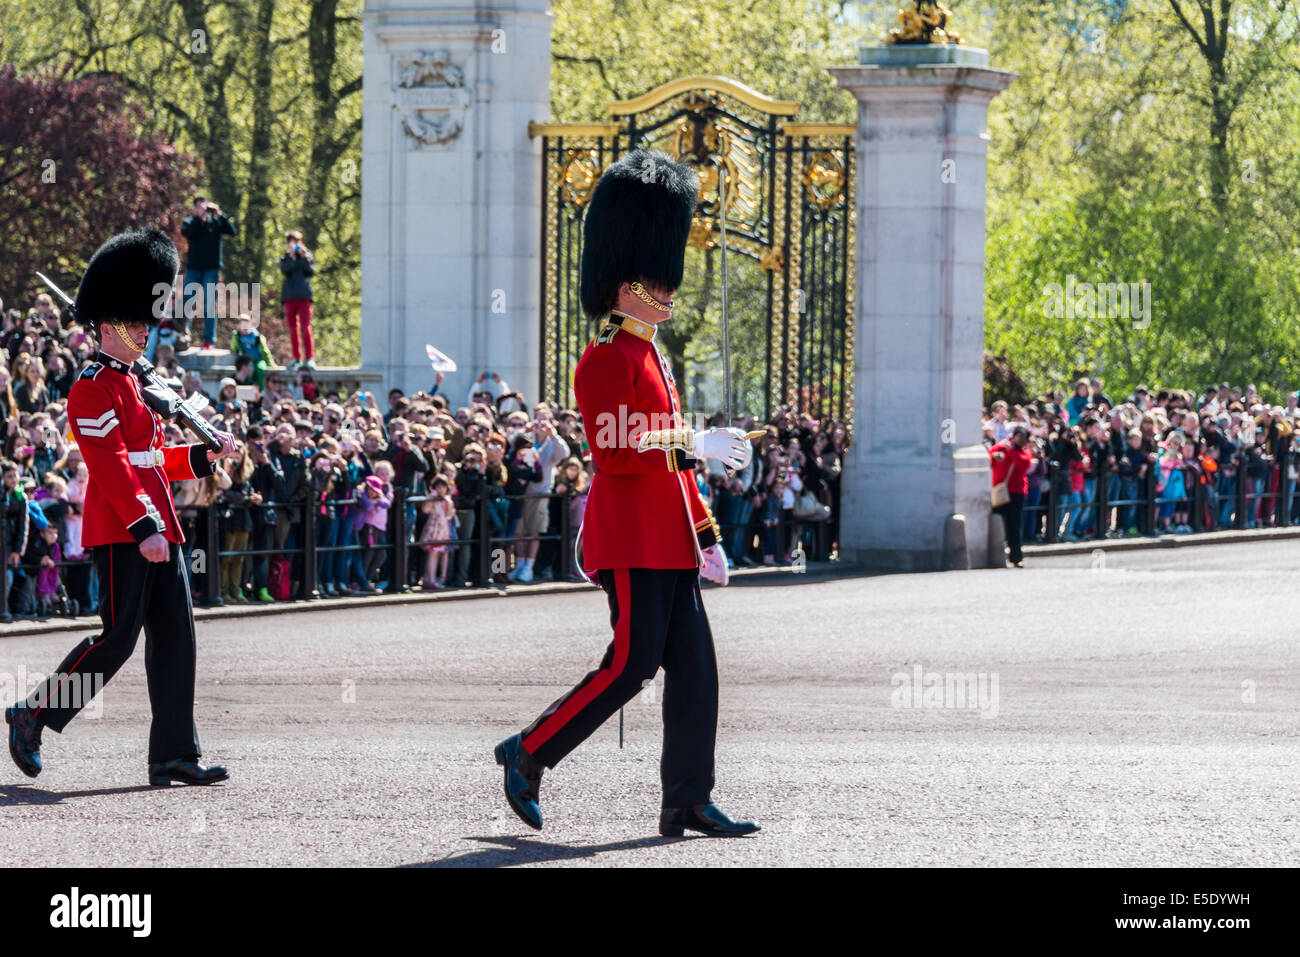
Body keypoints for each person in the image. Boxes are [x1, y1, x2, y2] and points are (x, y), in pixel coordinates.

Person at [493, 149, 759, 838]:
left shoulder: (652, 354)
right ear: (622, 284)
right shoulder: (605, 358)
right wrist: (696, 443)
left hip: (669, 540)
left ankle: (687, 799)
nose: (665, 291)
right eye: (653, 281)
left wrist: (706, 532)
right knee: (632, 664)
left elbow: (670, 463)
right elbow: (617, 447)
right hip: (631, 538)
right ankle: (528, 749)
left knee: (696, 673)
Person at [6, 228, 240, 786]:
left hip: (161, 523)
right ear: (110, 327)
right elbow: (111, 465)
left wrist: (202, 457)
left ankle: (175, 755)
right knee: (116, 640)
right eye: (137, 323)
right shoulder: (91, 387)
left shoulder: (138, 384)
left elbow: (152, 456)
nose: (145, 330)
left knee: (177, 640)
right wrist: (145, 527)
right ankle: (33, 714)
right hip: (124, 527)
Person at [180, 195, 237, 349]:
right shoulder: (190, 222)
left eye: (204, 206)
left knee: (210, 303)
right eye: (199, 207)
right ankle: (184, 334)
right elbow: (187, 233)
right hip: (194, 268)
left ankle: (209, 340)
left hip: (211, 269)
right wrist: (200, 219)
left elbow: (232, 231)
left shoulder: (216, 223)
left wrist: (220, 214)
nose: (202, 209)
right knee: (188, 301)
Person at [990, 425, 1034, 567]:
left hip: (1017, 493)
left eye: (1024, 437)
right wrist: (994, 455)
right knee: (996, 522)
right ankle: (995, 555)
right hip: (1001, 490)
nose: (1021, 440)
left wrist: (1011, 451)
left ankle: (1016, 557)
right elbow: (989, 455)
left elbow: (1022, 464)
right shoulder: (1002, 447)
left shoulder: (1024, 452)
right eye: (1019, 436)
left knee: (1014, 526)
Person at [280, 230, 316, 370]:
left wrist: (303, 256)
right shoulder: (285, 258)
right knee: (293, 329)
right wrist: (291, 257)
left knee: (306, 328)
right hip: (290, 296)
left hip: (304, 296)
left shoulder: (306, 257)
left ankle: (310, 358)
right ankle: (296, 358)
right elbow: (285, 271)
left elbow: (310, 271)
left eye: (296, 242)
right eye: (291, 242)